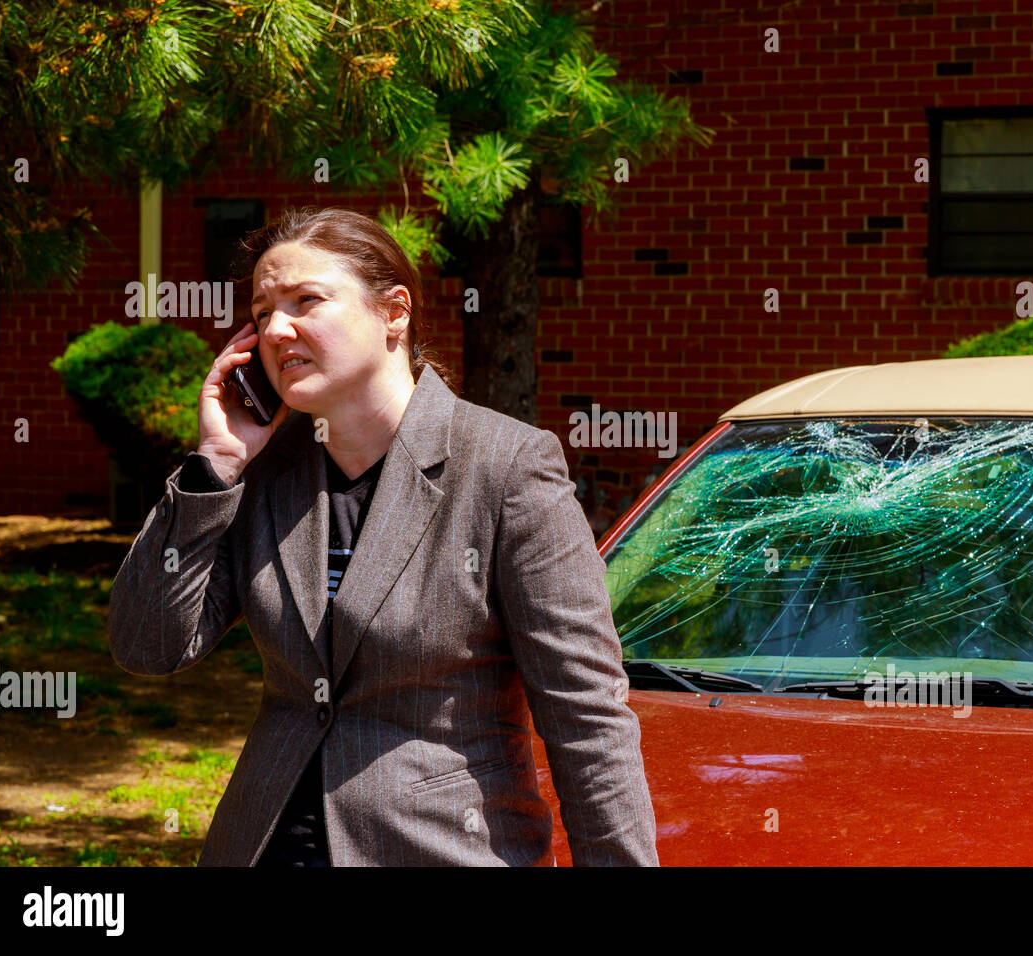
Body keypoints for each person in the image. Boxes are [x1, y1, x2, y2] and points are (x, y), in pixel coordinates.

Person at [108, 205, 659, 866]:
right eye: (261, 314)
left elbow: (585, 716)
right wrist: (214, 466)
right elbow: (147, 645)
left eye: (306, 300)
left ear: (393, 312)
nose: (277, 330)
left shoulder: (505, 468)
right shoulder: (265, 475)